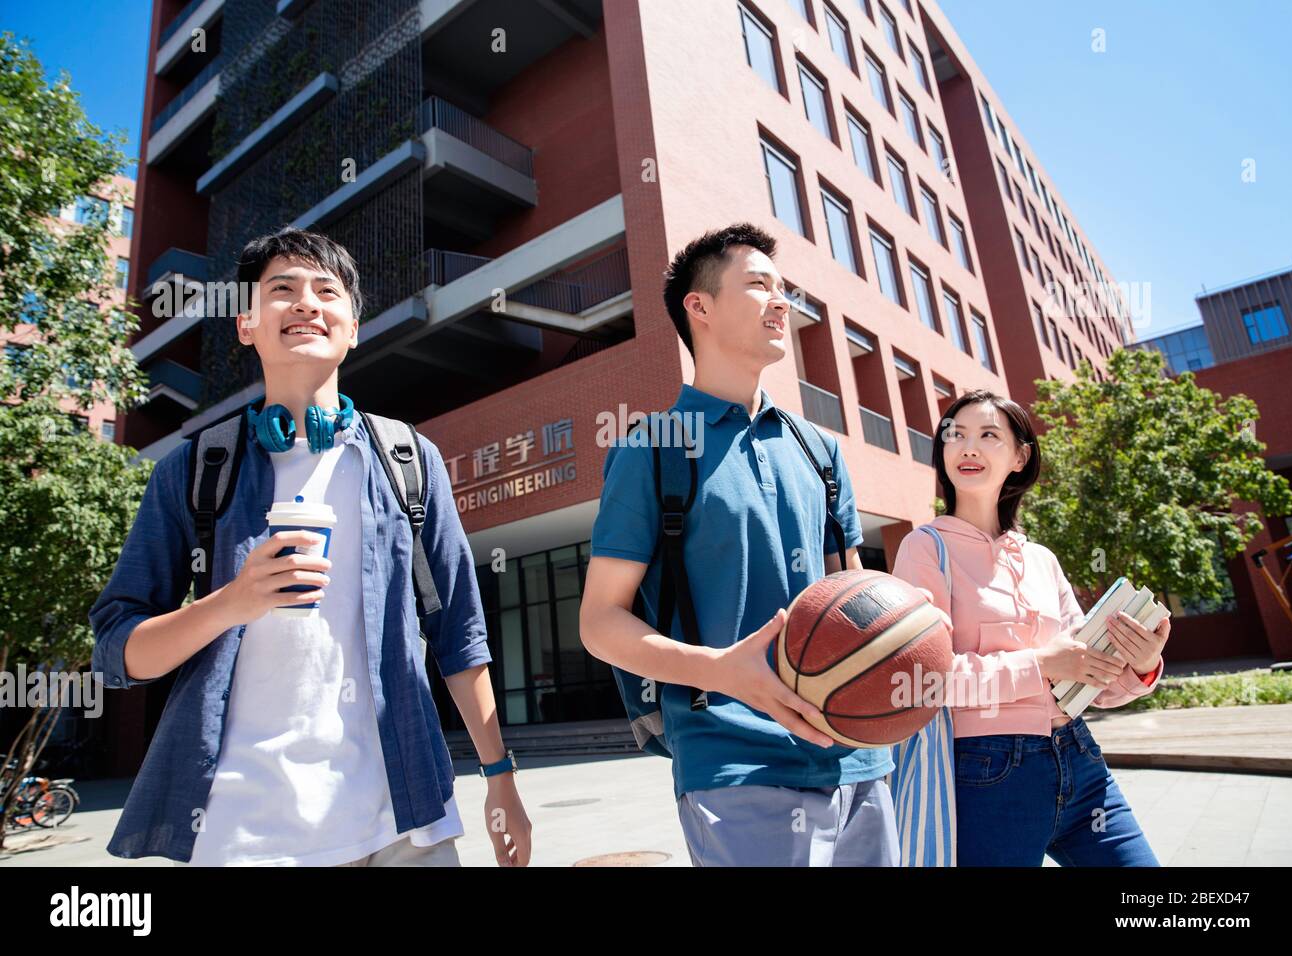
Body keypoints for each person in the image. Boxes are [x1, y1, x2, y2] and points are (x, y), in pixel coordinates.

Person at [90, 227, 531, 866]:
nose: (306, 303)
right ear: (246, 323)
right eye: (282, 290)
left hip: (406, 820)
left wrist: (500, 777)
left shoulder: (408, 460)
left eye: (327, 291)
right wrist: (231, 602)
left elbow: (458, 630)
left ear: (353, 329)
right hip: (242, 832)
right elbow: (117, 651)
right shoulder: (193, 471)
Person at [579, 223, 899, 867]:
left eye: (784, 288)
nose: (782, 301)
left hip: (858, 757)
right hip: (734, 761)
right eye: (759, 285)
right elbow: (599, 622)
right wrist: (720, 670)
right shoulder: (652, 449)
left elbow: (854, 598)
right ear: (698, 306)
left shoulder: (820, 449)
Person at [891, 389, 1169, 866]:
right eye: (956, 435)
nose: (968, 447)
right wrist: (1041, 664)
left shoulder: (1042, 559)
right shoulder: (924, 548)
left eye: (988, 435)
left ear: (1020, 457)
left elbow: (1089, 679)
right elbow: (924, 680)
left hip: (1079, 760)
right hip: (988, 773)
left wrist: (1142, 665)